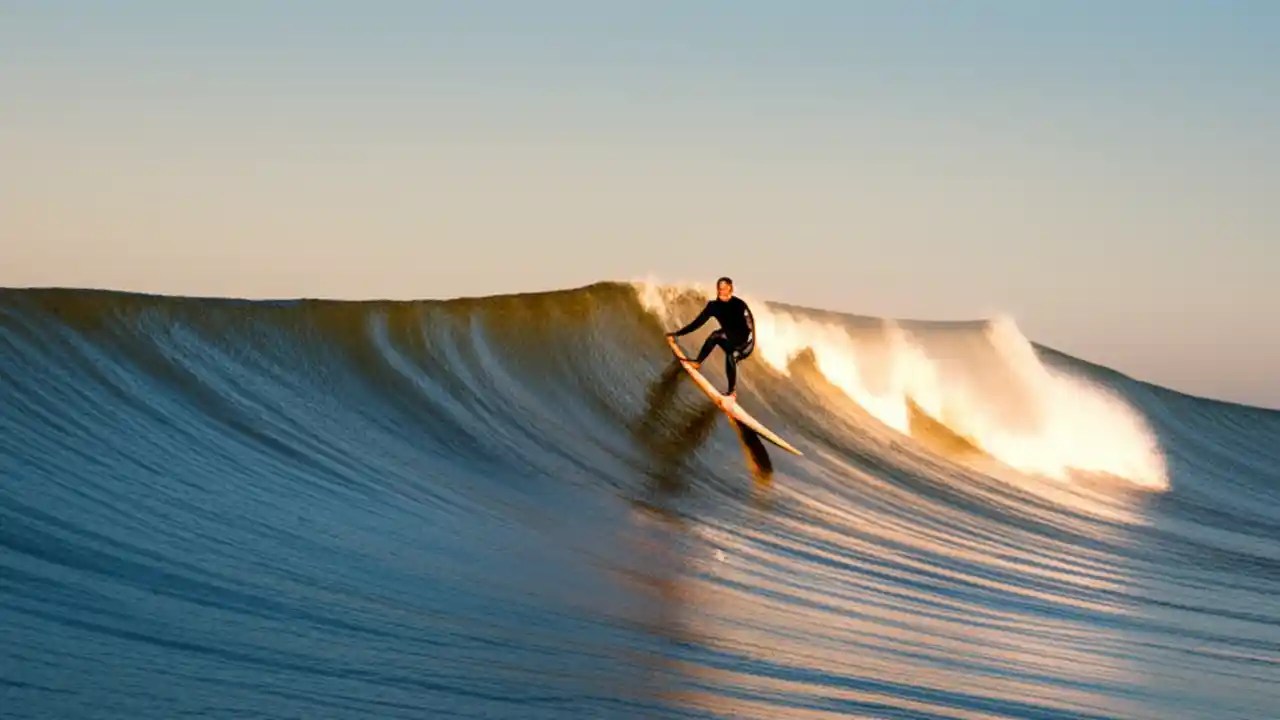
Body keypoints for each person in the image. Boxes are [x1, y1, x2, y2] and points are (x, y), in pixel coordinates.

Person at [666, 276, 755, 400]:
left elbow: (750, 329)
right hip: (730, 336)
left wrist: (742, 347)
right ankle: (697, 362)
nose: (720, 291)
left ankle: (731, 392)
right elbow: (697, 323)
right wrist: (678, 334)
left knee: (731, 355)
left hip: (746, 343)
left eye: (724, 289)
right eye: (719, 288)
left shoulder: (740, 305)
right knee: (715, 336)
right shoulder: (714, 306)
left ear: (731, 289)